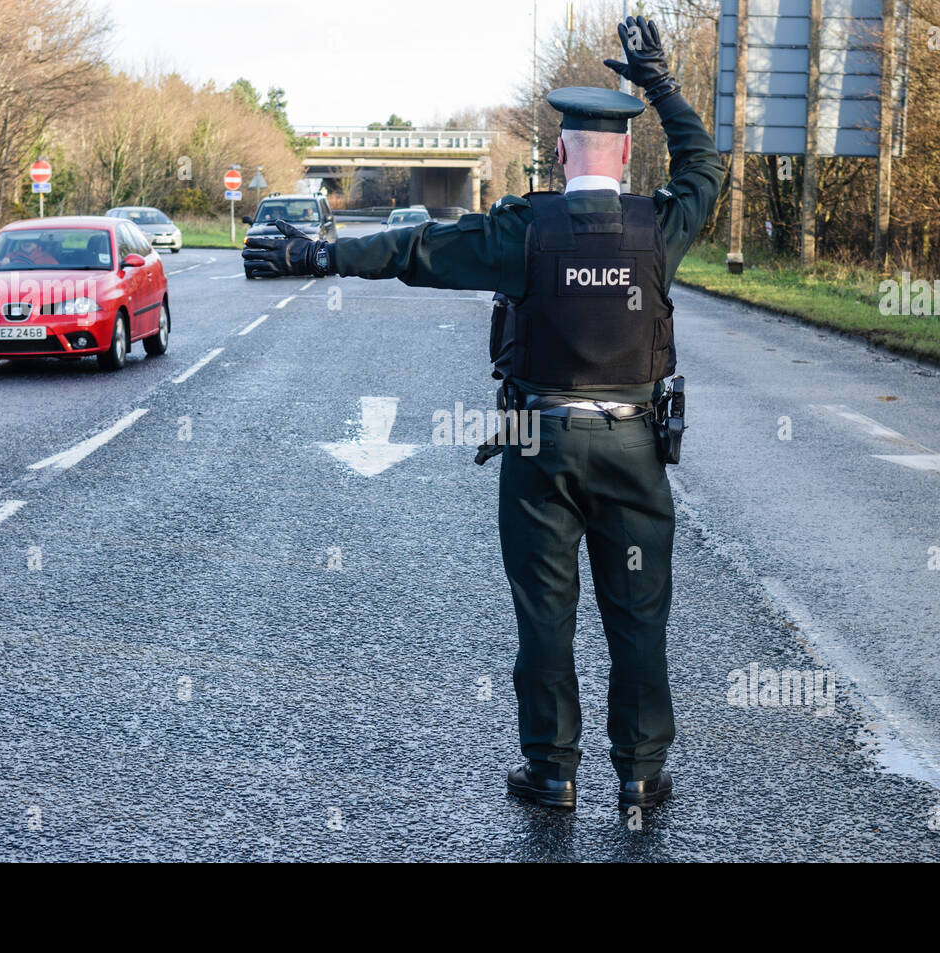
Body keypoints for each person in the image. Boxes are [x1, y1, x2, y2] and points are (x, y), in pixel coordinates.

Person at [249, 16, 724, 810]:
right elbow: (706, 166)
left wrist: (317, 254)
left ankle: (552, 772)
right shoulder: (658, 227)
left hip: (541, 447)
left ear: (563, 151)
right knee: (638, 615)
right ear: (630, 155)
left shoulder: (522, 231)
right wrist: (662, 85)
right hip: (635, 450)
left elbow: (416, 248)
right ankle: (640, 773)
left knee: (546, 614)